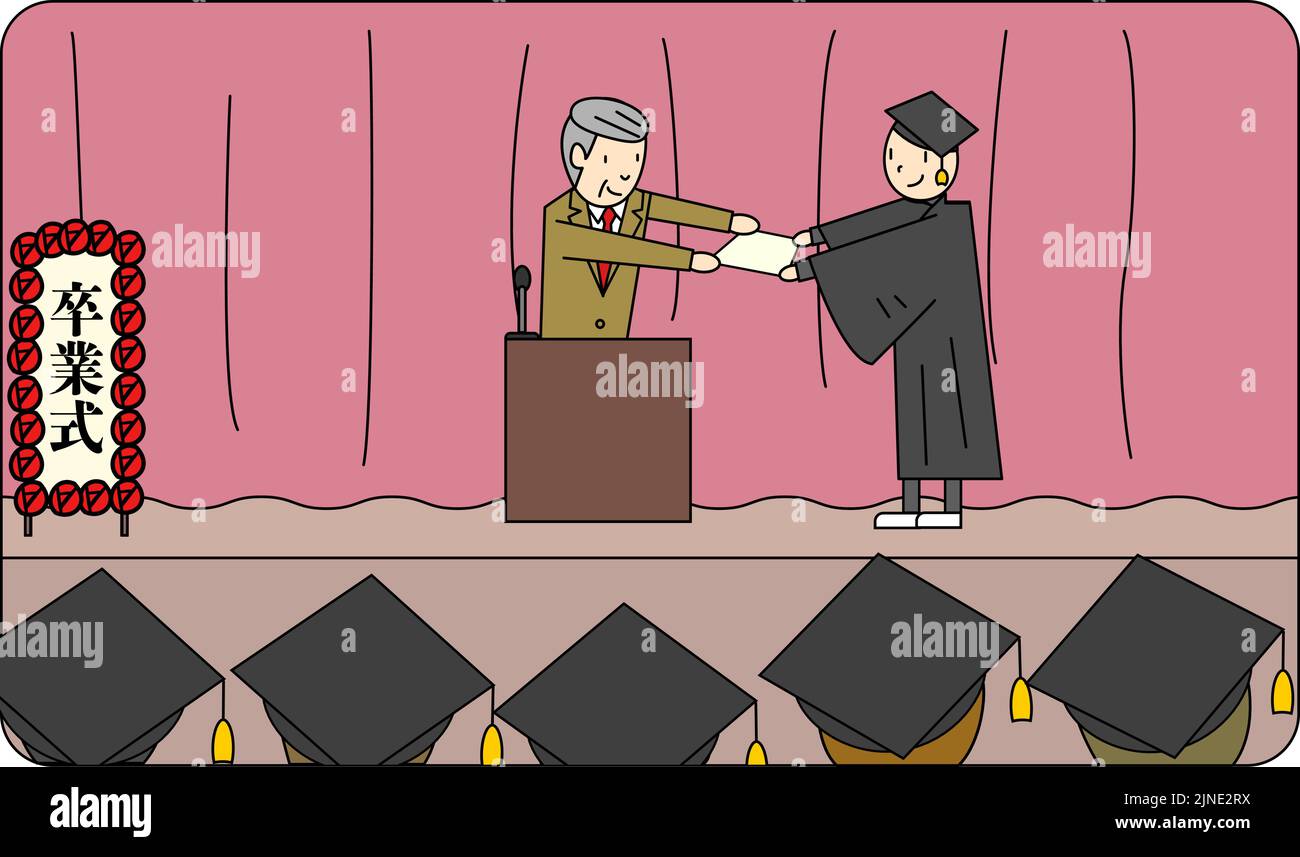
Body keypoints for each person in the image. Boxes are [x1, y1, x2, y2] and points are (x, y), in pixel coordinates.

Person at [778, 91, 1001, 529]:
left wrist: (813, 271)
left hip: (950, 339)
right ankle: (913, 505)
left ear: (943, 168)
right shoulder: (911, 212)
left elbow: (883, 254)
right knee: (914, 418)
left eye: (909, 164)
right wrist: (819, 234)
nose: (898, 172)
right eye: (894, 161)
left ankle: (951, 508)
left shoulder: (949, 224)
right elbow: (874, 224)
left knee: (950, 421)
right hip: (915, 334)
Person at [540, 96, 759, 338]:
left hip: (618, 349)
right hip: (562, 346)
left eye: (635, 161)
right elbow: (619, 248)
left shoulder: (634, 203)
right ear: (579, 156)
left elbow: (674, 209)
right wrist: (689, 259)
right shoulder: (559, 218)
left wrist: (728, 222)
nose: (625, 176)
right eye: (608, 161)